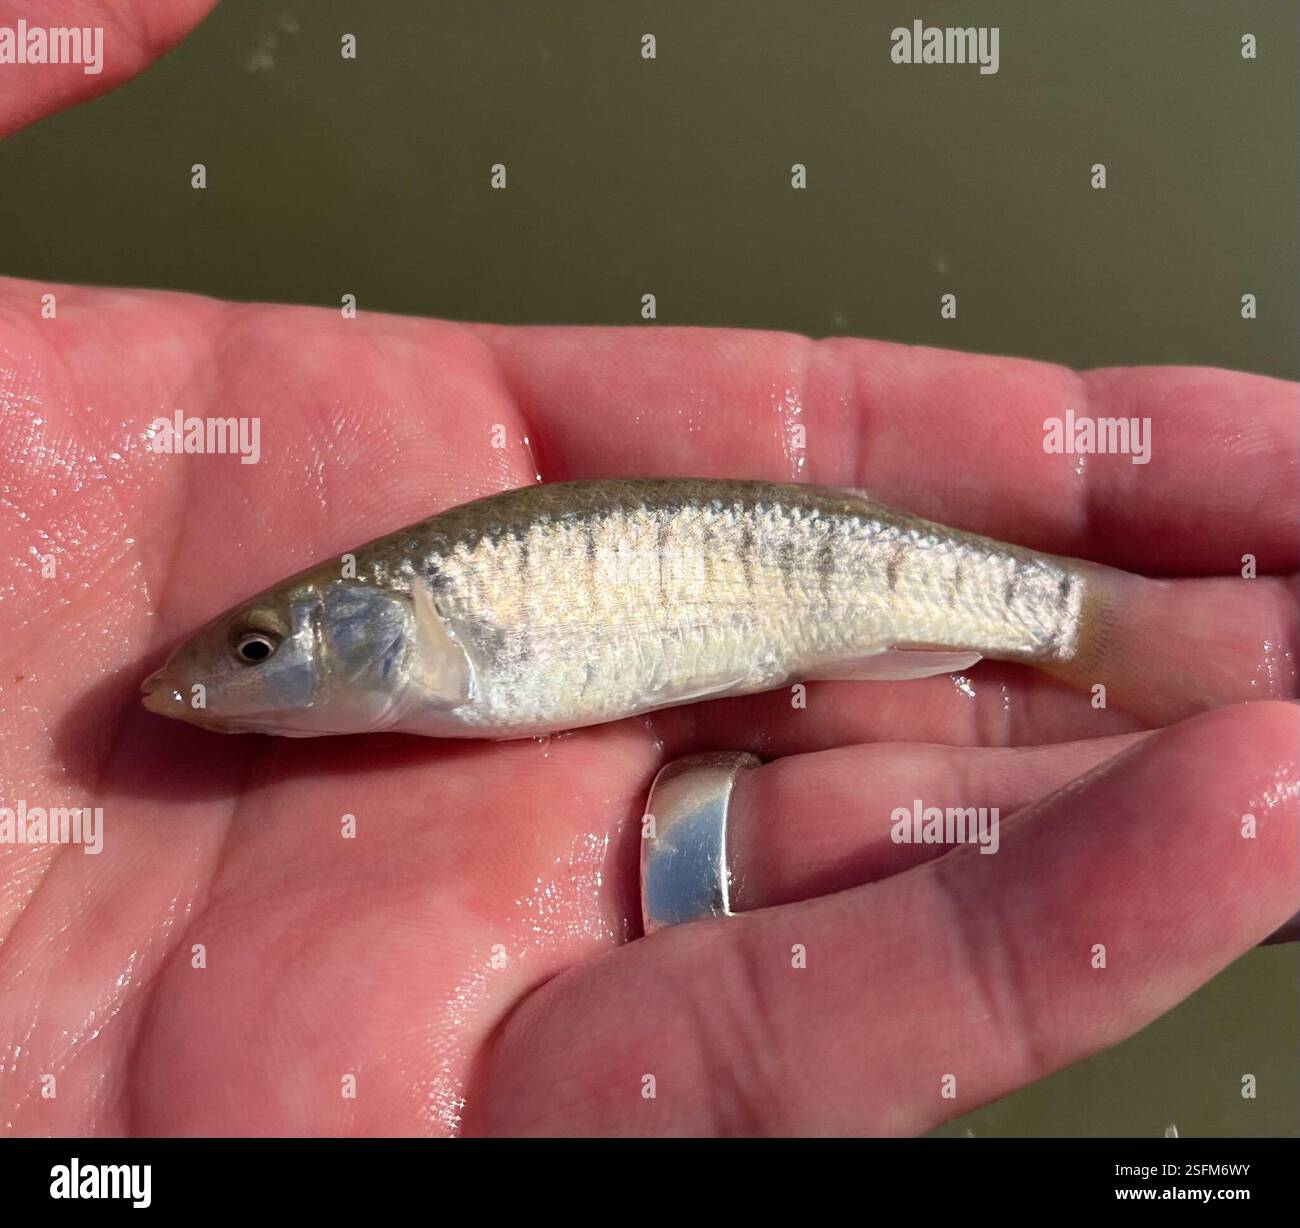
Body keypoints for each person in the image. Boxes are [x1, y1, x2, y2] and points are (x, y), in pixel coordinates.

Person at [0, 2, 1295, 1136]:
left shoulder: (437, 624)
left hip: (831, 583)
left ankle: (1100, 629)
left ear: (366, 624)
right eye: (255, 651)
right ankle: (1122, 643)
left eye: (258, 653)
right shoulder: (392, 653)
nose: (215, 680)